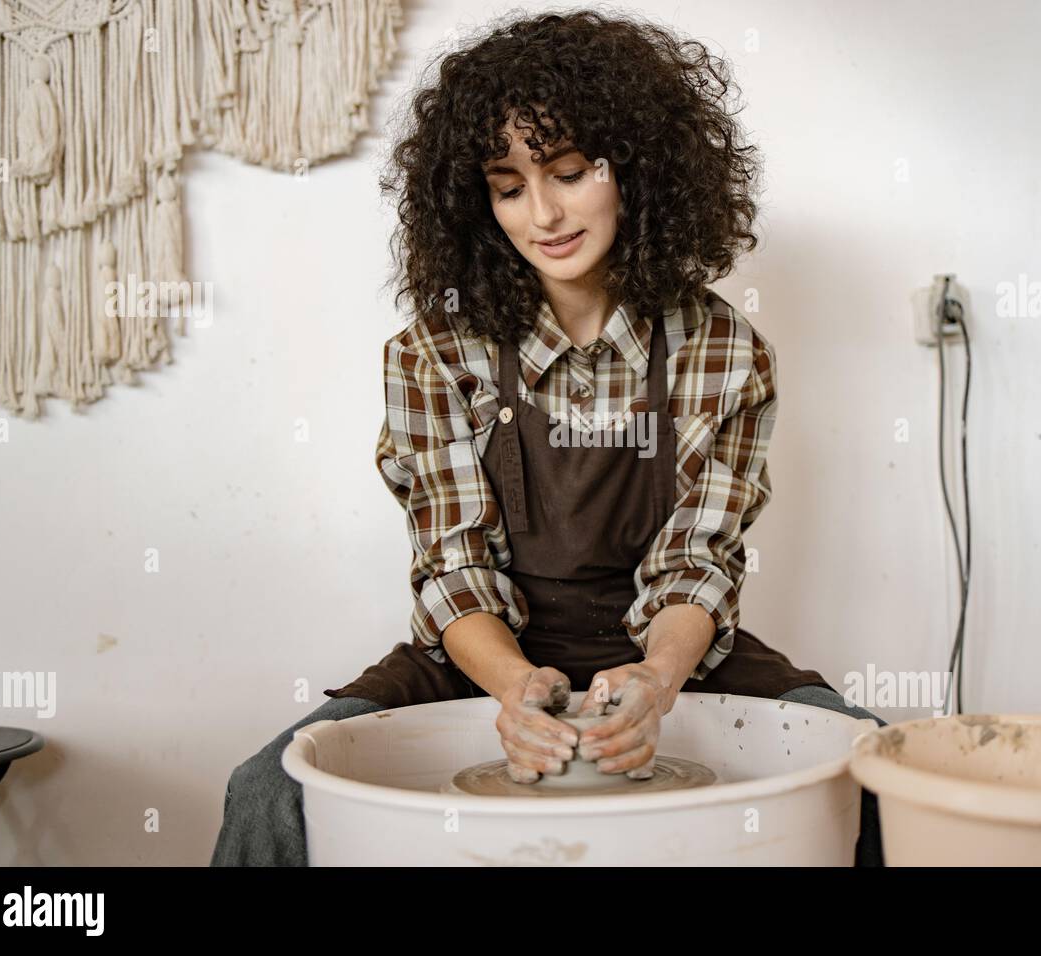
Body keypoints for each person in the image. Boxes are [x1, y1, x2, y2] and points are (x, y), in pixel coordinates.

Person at [210, 9, 887, 867]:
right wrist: (517, 690)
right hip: (485, 652)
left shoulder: (720, 348)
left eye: (570, 171)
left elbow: (699, 563)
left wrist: (654, 681)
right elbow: (454, 569)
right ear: (474, 199)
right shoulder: (436, 351)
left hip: (665, 647)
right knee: (268, 790)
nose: (544, 213)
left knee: (877, 769)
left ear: (638, 169)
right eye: (508, 185)